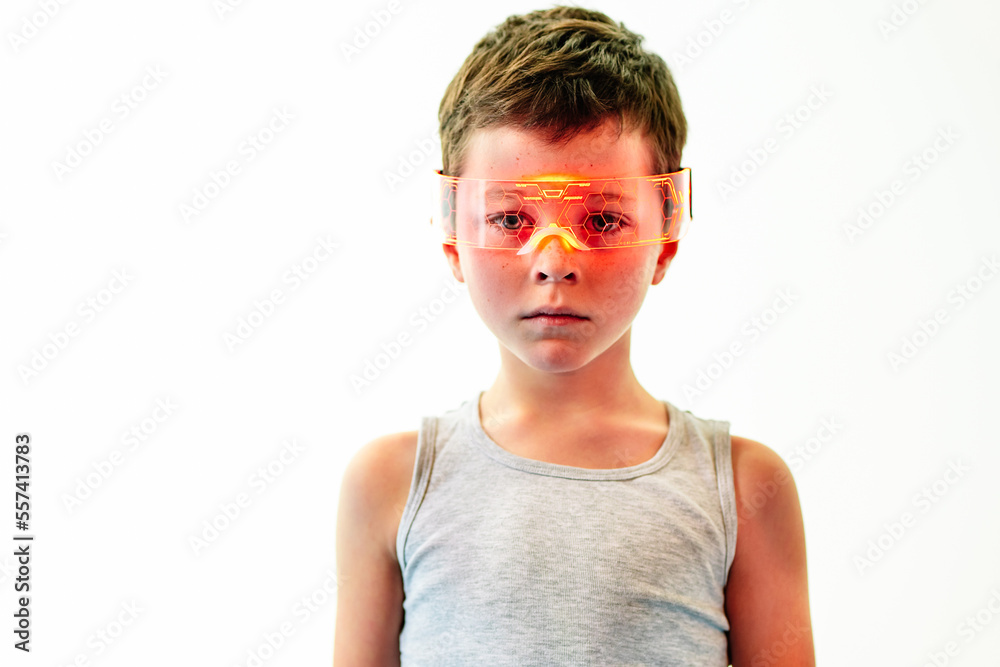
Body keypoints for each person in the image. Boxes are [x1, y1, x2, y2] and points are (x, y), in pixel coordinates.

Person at [334, 6, 814, 666]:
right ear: (453, 236)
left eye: (602, 218)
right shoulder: (391, 484)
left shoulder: (743, 488)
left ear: (666, 239)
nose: (555, 257)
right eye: (509, 216)